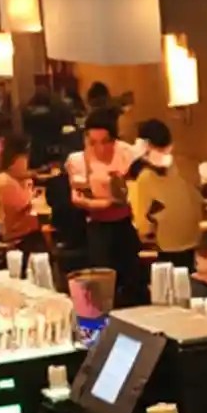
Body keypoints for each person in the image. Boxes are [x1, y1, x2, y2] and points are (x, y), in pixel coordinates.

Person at [66, 109, 142, 305]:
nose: (99, 148)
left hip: (125, 224)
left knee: (132, 280)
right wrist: (108, 202)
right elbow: (77, 198)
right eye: (93, 142)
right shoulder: (78, 161)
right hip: (97, 226)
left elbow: (132, 193)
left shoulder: (126, 153)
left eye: (105, 142)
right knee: (103, 282)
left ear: (114, 140)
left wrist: (110, 199)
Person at [128, 119, 201, 269]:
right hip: (194, 240)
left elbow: (143, 225)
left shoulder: (146, 178)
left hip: (167, 246)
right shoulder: (186, 165)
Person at [0, 134, 45, 277]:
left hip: (28, 230)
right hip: (18, 234)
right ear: (14, 160)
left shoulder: (18, 179)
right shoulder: (4, 181)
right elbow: (20, 205)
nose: (26, 164)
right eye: (24, 159)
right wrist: (30, 191)